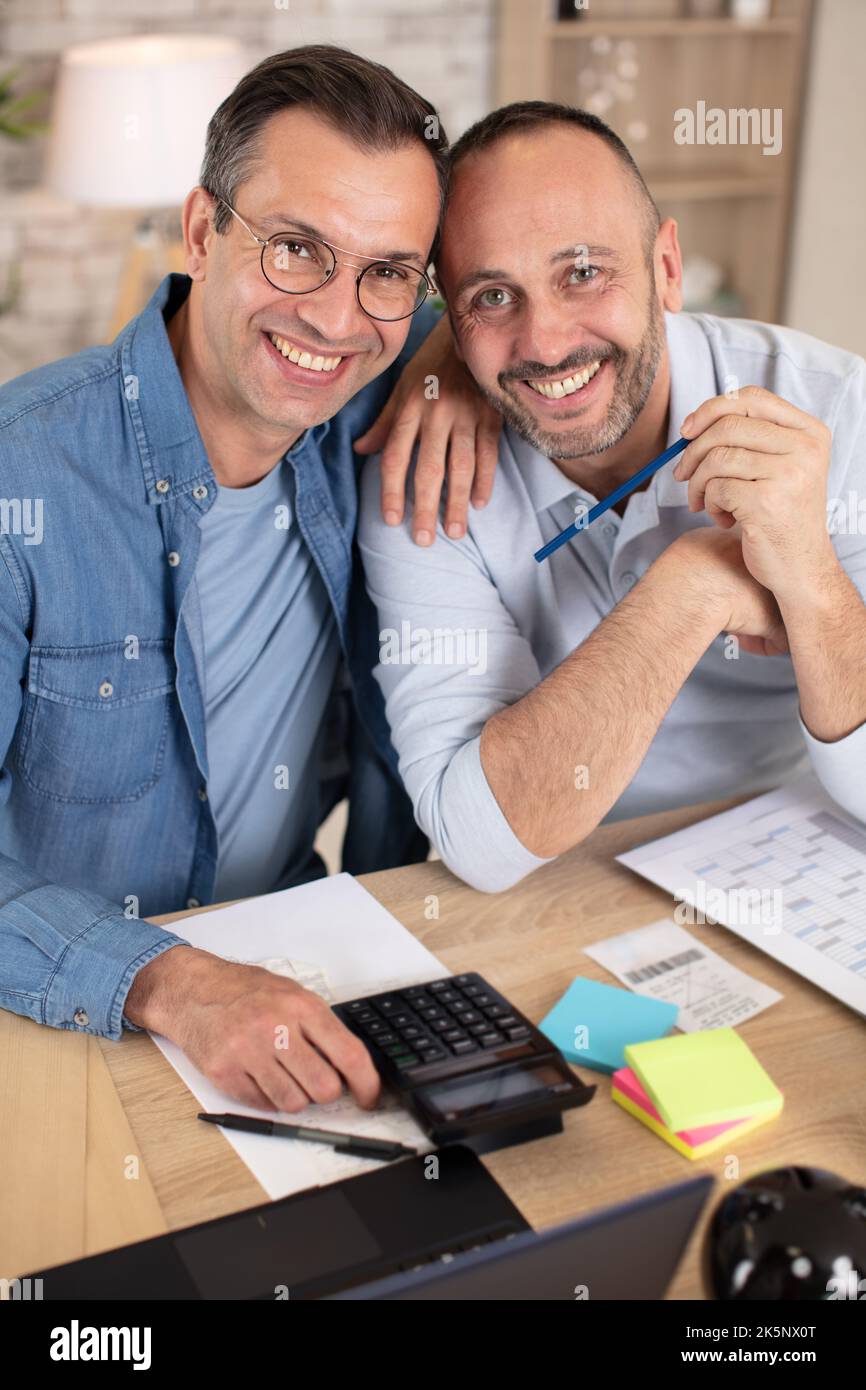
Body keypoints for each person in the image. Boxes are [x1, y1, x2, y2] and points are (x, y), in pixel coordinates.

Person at [0, 47, 499, 1114]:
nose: (333, 318)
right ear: (198, 231)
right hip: (58, 1011)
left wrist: (453, 352)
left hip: (303, 969)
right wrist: (169, 979)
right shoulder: (22, 476)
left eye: (387, 272)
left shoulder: (371, 410)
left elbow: (545, 315)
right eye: (294, 249)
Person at [360, 101, 866, 894]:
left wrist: (814, 581)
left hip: (799, 875)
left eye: (584, 273)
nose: (547, 343)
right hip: (564, 891)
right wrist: (692, 587)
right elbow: (479, 842)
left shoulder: (836, 411)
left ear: (667, 268)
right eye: (493, 297)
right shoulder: (430, 467)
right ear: (450, 324)